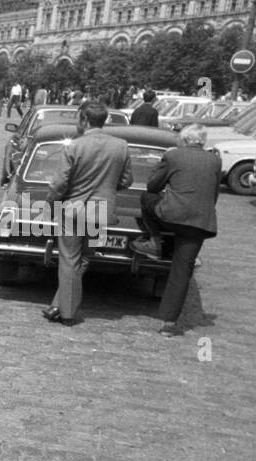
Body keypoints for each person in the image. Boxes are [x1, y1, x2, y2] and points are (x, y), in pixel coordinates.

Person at [41, 102, 132, 327]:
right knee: (82, 258)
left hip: (74, 209)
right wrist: (107, 190)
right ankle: (59, 304)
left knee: (69, 259)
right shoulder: (121, 146)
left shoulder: (74, 147)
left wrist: (50, 204)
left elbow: (60, 183)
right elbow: (127, 180)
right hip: (101, 211)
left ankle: (68, 313)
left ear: (83, 119)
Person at [129, 123, 221, 335]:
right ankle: (169, 324)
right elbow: (213, 195)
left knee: (146, 198)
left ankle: (154, 240)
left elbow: (153, 186)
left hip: (172, 215)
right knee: (182, 270)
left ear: (185, 140)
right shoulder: (215, 161)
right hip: (199, 221)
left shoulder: (174, 156)